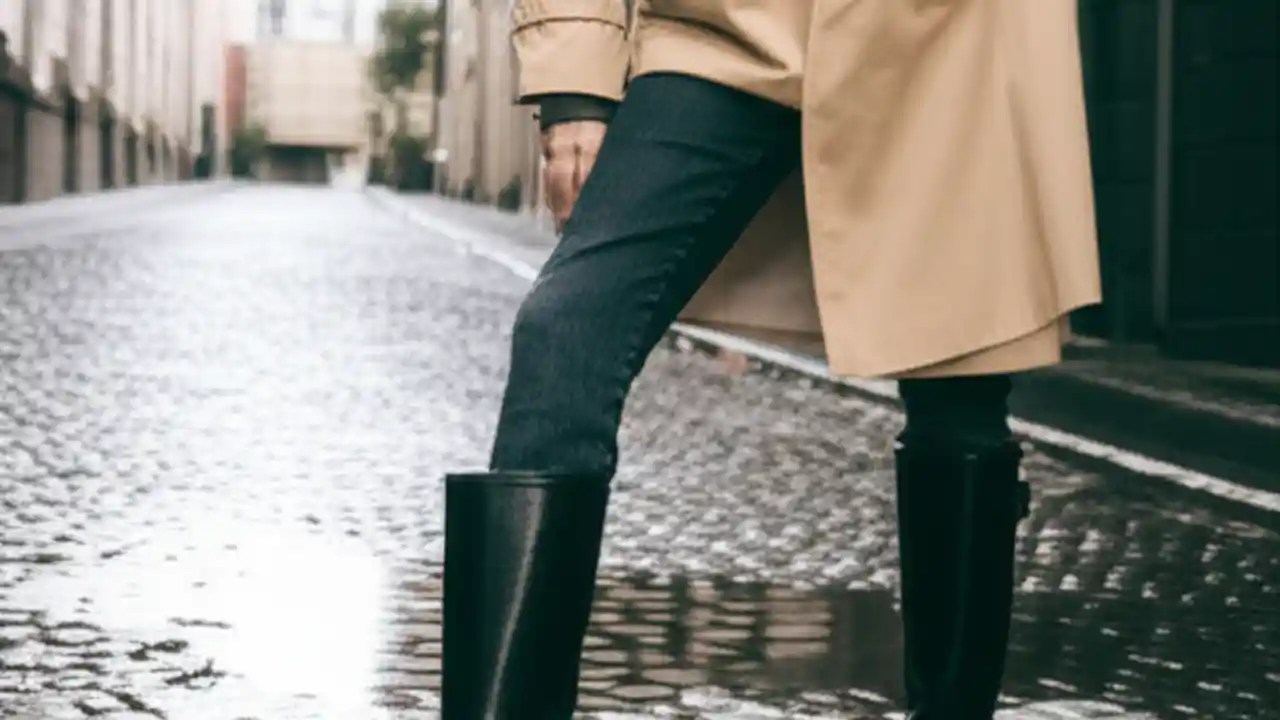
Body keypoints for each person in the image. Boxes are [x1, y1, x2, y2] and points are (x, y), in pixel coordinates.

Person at [441, 1, 1101, 718]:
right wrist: (573, 80)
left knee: (959, 386)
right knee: (566, 326)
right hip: (720, 34)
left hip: (949, 43)